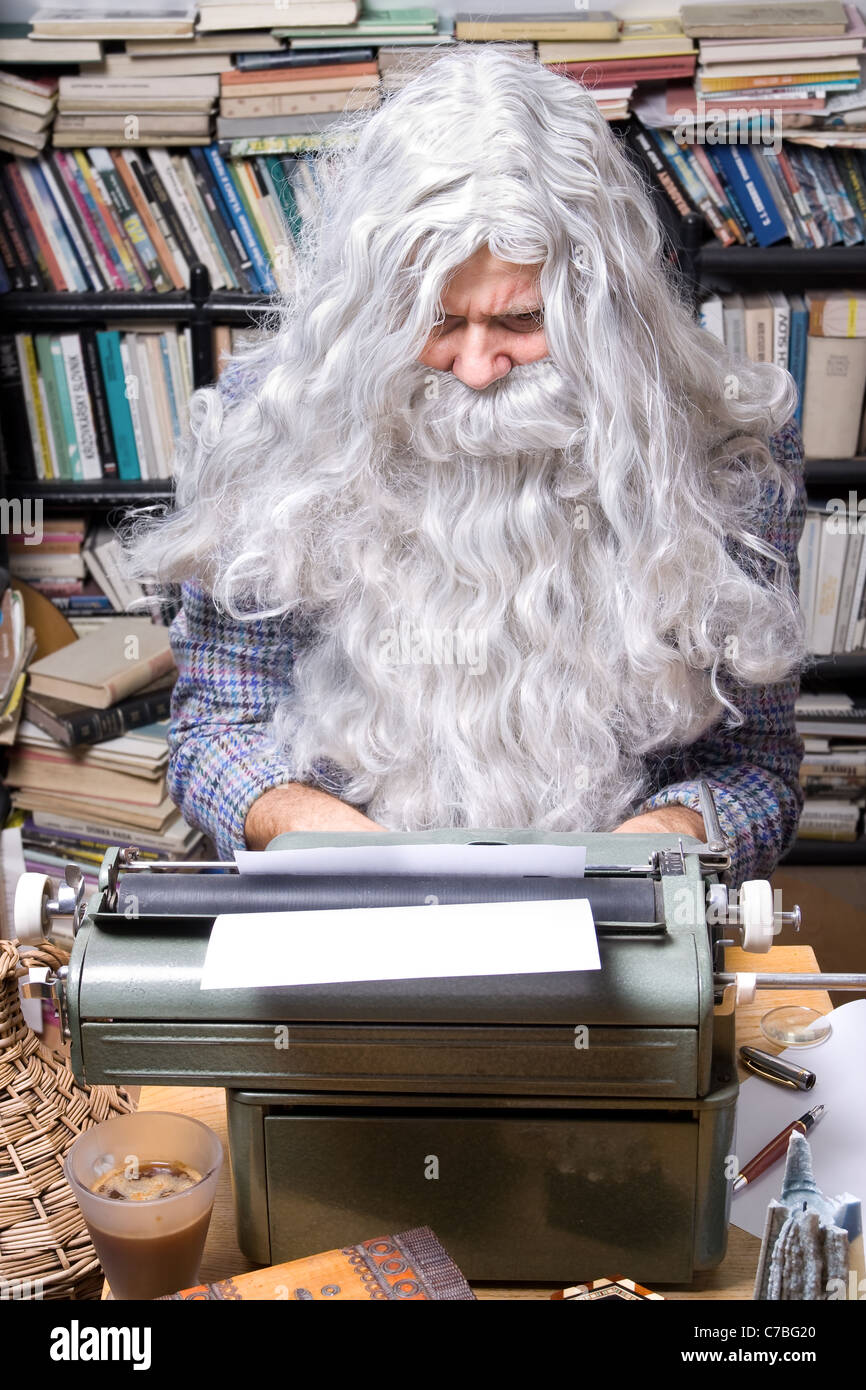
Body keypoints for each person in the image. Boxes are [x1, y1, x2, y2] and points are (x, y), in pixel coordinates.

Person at [125, 44, 808, 888]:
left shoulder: (726, 448)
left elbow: (762, 769)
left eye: (522, 319)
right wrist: (344, 852)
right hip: (349, 906)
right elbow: (215, 734)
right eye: (437, 322)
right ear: (369, 311)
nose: (479, 366)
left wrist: (657, 842)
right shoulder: (268, 425)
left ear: (602, 309)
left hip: (619, 912)